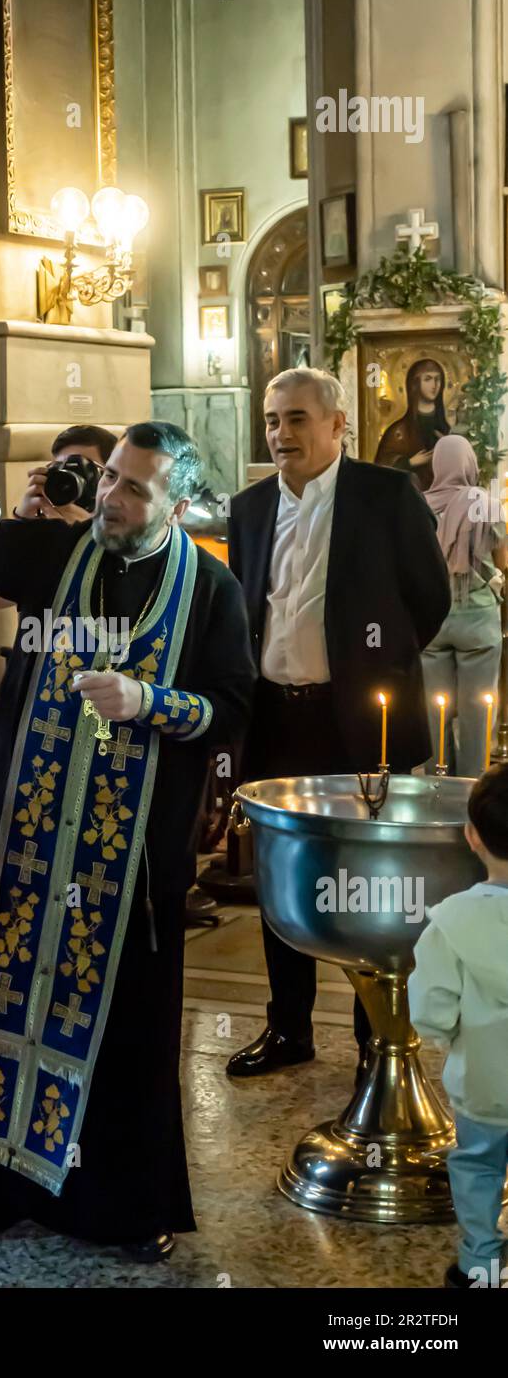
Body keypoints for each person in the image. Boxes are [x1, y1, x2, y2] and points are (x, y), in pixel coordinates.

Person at [0, 421, 255, 1259]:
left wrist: (150, 702)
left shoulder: (211, 590)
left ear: (177, 503)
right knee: (13, 1005)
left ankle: (126, 1203)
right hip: (31, 841)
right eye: (109, 477)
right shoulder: (58, 554)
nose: (112, 498)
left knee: (127, 1035)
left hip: (133, 859)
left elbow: (231, 707)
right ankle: (2, 1184)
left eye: (135, 489)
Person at [227, 368, 451, 1080]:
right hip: (277, 716)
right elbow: (247, 605)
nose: (280, 434)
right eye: (271, 421)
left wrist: (370, 665)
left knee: (368, 882)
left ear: (337, 425)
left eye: (296, 419)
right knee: (281, 875)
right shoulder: (251, 505)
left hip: (360, 719)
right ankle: (287, 1027)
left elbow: (429, 598)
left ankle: (374, 1039)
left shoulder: (386, 496)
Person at [408, 763, 508, 1289]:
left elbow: (432, 1005)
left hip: (484, 1083)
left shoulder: (451, 918)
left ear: (471, 836)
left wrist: (443, 1036)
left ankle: (481, 1264)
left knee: (477, 1169)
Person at [421, 436, 508, 778]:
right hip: (479, 620)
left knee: (434, 710)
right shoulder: (485, 503)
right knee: (478, 711)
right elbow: (503, 560)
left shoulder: (421, 504)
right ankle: (474, 788)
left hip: (434, 620)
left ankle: (438, 788)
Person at [13, 423, 118, 524]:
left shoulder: (128, 526)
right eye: (61, 467)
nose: (68, 481)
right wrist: (22, 521)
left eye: (84, 469)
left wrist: (87, 533)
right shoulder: (46, 517)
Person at [374, 357, 451, 492]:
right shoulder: (399, 431)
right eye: (428, 379)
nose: (434, 385)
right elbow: (380, 469)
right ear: (415, 384)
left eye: (438, 379)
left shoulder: (449, 427)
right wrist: (409, 463)